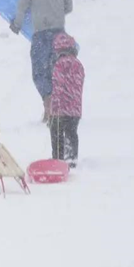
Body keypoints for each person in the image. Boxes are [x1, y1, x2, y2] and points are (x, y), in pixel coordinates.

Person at [12, 0, 73, 122]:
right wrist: (55, 13)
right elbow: (69, 6)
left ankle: (48, 106)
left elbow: (22, 4)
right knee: (58, 71)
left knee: (40, 71)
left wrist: (17, 24)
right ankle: (60, 108)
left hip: (41, 34)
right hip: (60, 36)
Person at [49, 33, 84, 167]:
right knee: (71, 132)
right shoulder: (78, 64)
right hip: (75, 109)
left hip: (61, 108)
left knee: (56, 133)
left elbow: (58, 86)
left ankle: (58, 159)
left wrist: (55, 106)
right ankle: (71, 158)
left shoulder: (59, 64)